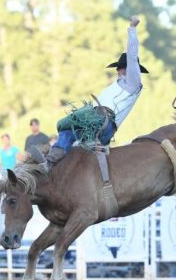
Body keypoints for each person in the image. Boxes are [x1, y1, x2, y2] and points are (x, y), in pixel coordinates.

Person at [42, 15, 148, 171]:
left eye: (124, 67)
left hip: (103, 124)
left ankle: (87, 147)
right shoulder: (115, 85)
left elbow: (132, 57)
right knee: (66, 130)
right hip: (95, 120)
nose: (121, 70)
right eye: (121, 67)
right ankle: (51, 161)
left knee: (74, 131)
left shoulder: (133, 82)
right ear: (118, 70)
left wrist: (132, 29)